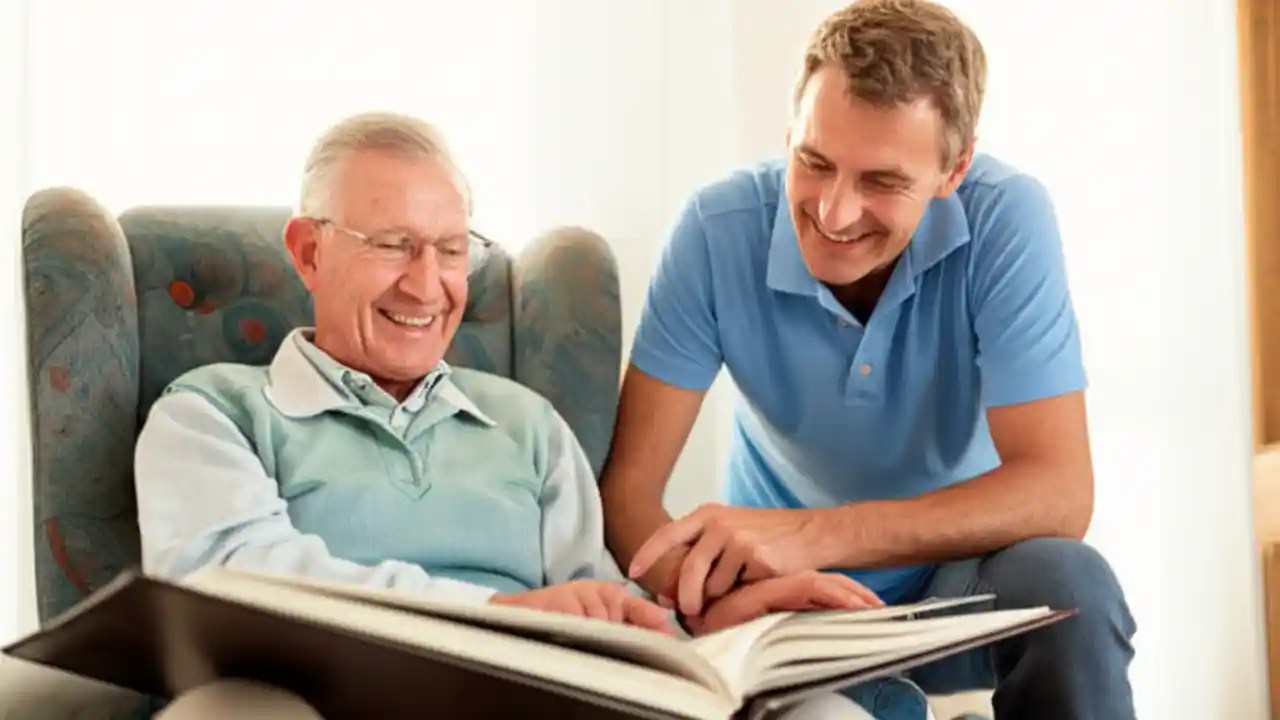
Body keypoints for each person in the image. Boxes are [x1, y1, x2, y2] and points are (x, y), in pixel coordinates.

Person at [123, 111, 881, 718]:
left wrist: (719, 624)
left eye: (451, 251)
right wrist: (503, 613)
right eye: (393, 246)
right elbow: (231, 587)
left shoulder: (528, 425)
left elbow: (602, 615)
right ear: (308, 251)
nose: (428, 287)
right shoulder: (210, 413)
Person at [599, 1, 1137, 719]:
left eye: (882, 182)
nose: (833, 212)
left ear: (955, 168)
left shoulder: (1007, 217)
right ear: (789, 130)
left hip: (956, 583)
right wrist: (708, 595)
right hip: (781, 605)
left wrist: (817, 536)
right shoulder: (715, 229)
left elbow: (1060, 493)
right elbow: (627, 494)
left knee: (1072, 583)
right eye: (813, 162)